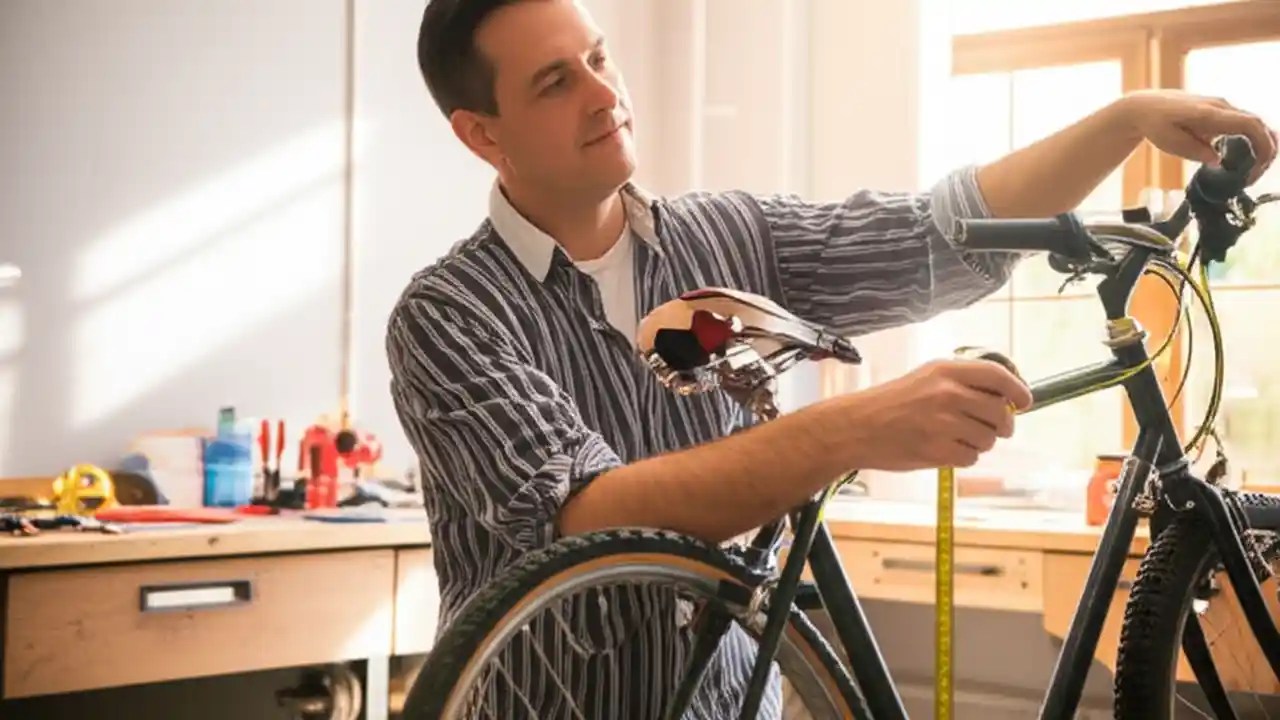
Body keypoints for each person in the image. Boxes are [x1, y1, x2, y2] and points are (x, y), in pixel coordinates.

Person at [391, 0, 1278, 715]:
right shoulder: (448, 314)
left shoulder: (729, 235)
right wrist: (851, 427)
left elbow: (934, 236)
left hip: (730, 700)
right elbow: (588, 520)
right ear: (484, 135)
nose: (602, 92)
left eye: (598, 55)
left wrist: (1122, 121)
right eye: (555, 81)